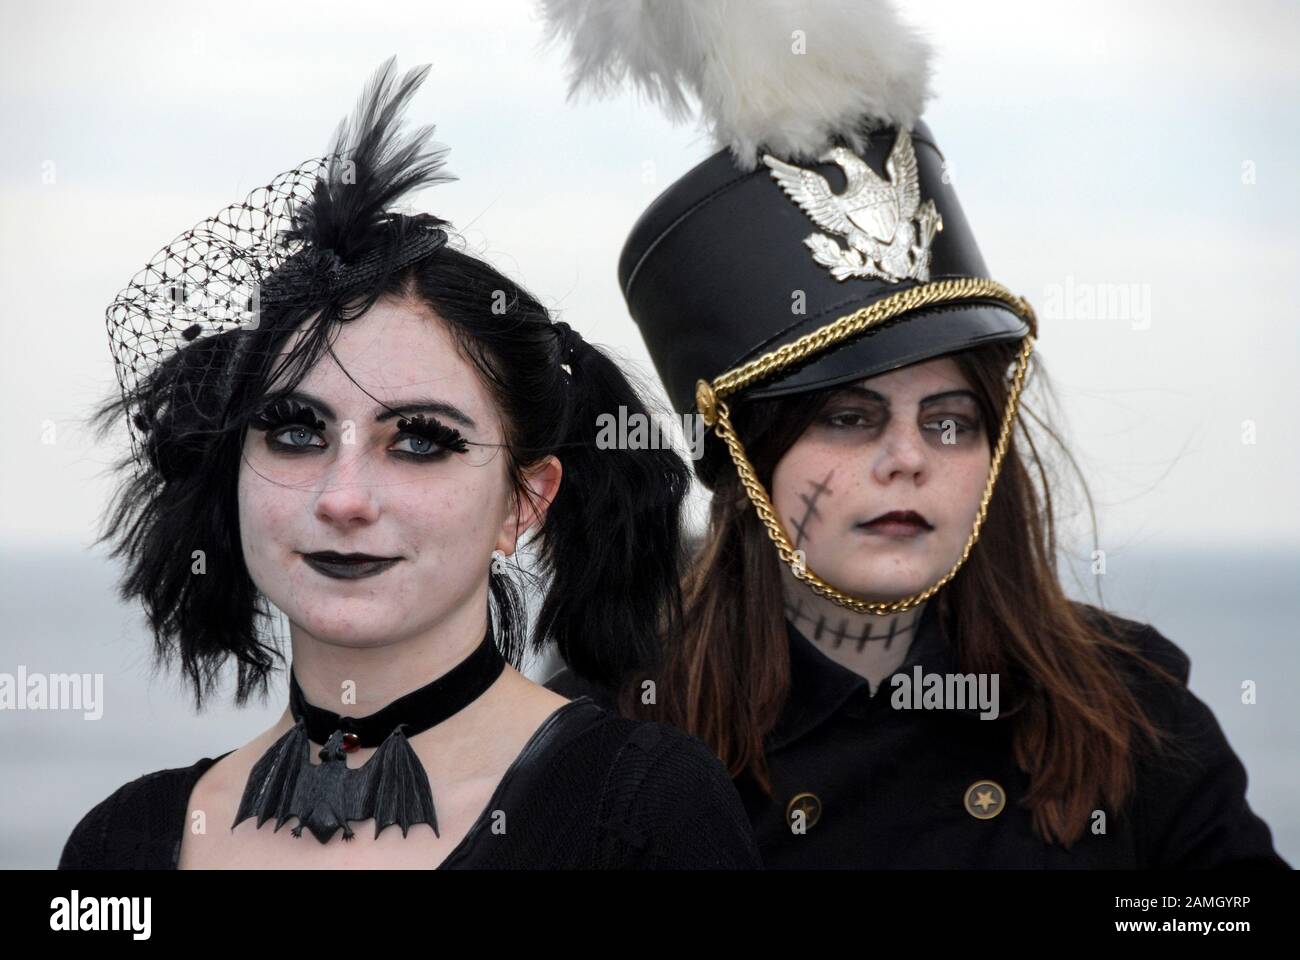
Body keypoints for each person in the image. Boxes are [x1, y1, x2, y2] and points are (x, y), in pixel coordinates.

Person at [539, 0, 1288, 868]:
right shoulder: (605, 740)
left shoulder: (1129, 704)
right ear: (745, 457)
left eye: (950, 422)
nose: (908, 460)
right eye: (848, 418)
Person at [57, 56, 760, 870]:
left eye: (421, 440)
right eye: (294, 432)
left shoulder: (641, 813)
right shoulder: (122, 845)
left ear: (524, 502)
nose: (344, 497)